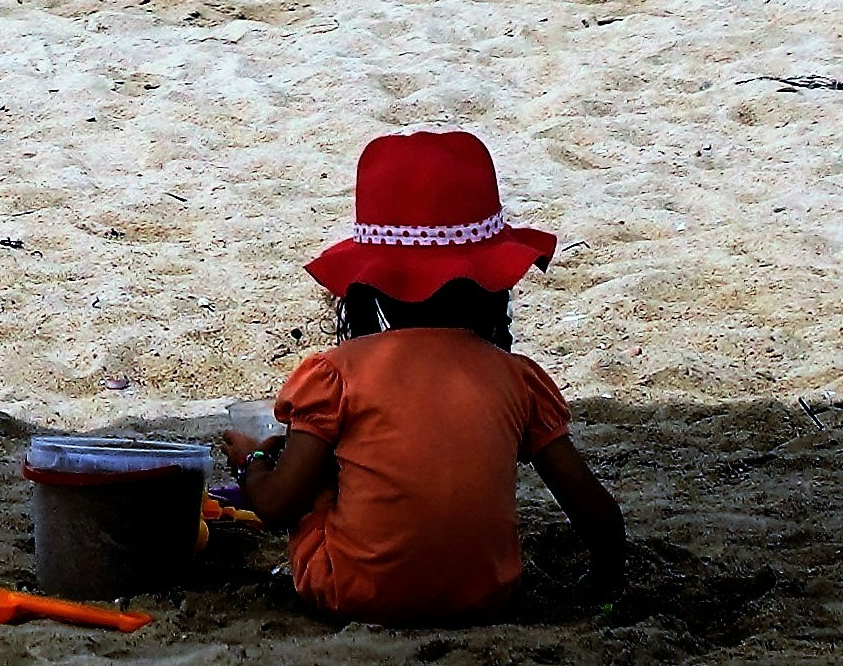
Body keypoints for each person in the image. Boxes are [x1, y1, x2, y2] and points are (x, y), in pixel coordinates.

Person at [224, 129, 625, 624]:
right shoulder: (517, 379)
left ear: (367, 286)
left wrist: (252, 462)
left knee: (320, 481)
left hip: (354, 590)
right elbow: (595, 512)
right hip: (488, 597)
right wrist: (607, 576)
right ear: (492, 283)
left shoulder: (336, 376)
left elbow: (277, 507)